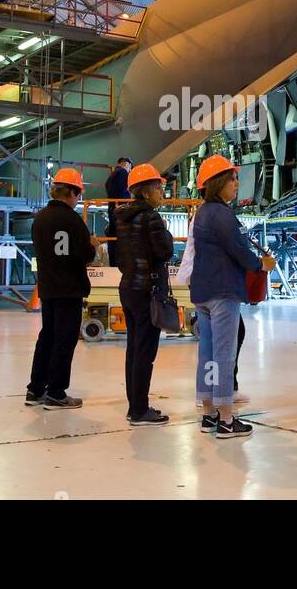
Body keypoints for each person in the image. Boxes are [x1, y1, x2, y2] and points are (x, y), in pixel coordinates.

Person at [189, 154, 275, 439]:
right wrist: (261, 265)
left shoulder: (201, 214)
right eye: (232, 178)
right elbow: (239, 250)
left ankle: (208, 413)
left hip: (203, 292)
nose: (237, 183)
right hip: (223, 292)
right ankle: (226, 420)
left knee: (208, 355)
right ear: (218, 183)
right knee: (224, 355)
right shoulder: (223, 214)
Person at [26, 168, 98, 409]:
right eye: (78, 195)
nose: (78, 201)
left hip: (48, 287)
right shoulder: (72, 220)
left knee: (47, 336)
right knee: (65, 340)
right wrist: (93, 247)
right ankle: (56, 392)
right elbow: (82, 255)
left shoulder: (40, 218)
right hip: (69, 288)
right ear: (72, 192)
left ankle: (36, 388)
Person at [114, 163, 174, 426]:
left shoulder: (123, 218)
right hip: (147, 290)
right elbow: (165, 252)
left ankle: (134, 405)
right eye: (159, 186)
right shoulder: (151, 217)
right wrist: (168, 232)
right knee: (145, 352)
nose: (162, 191)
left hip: (128, 287)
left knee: (133, 349)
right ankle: (139, 410)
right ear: (147, 191)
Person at [104, 157, 132, 265]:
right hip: (121, 211)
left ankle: (114, 263)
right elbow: (124, 193)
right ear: (127, 164)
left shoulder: (112, 174)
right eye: (130, 168)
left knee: (113, 236)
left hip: (112, 209)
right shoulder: (122, 173)